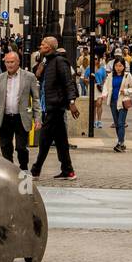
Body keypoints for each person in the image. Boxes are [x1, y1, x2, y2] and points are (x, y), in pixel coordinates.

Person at [30, 36, 79, 180]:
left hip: (55, 105)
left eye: (43, 43)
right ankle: (68, 170)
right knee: (61, 140)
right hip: (48, 104)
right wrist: (40, 64)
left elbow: (68, 82)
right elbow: (37, 75)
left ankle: (35, 170)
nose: (40, 45)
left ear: (49, 47)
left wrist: (71, 102)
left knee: (44, 139)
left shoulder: (60, 61)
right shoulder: (47, 60)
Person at [0, 50, 40, 171]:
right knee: (5, 147)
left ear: (18, 62)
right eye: (7, 62)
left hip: (21, 118)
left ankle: (23, 168)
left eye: (12, 62)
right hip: (5, 118)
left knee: (21, 147)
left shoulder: (29, 77)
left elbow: (36, 99)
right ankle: (10, 170)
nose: (9, 65)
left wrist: (37, 118)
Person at [101, 55, 132, 152]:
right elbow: (106, 86)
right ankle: (121, 142)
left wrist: (125, 91)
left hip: (123, 102)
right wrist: (104, 94)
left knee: (121, 123)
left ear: (124, 66)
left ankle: (121, 143)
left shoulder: (127, 76)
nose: (118, 68)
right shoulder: (110, 75)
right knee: (116, 124)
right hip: (113, 102)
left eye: (120, 66)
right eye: (116, 65)